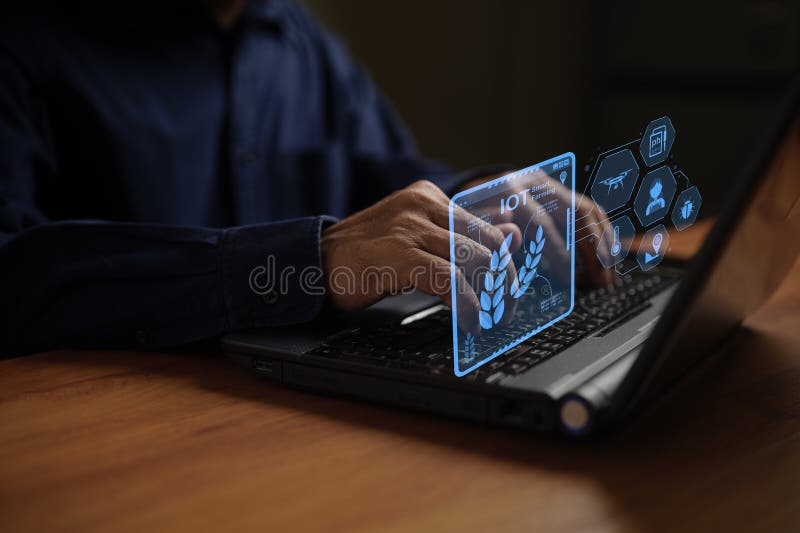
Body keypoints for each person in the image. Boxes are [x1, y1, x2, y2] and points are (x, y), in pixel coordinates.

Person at [0, 0, 610, 357]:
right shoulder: (25, 37)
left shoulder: (299, 42)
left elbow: (386, 181)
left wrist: (488, 200)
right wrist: (307, 263)